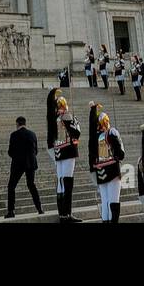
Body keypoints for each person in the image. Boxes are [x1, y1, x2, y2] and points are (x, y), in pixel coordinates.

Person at [46, 88, 82, 223]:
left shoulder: (54, 118)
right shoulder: (67, 116)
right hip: (68, 151)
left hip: (58, 151)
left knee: (61, 183)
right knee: (67, 183)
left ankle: (62, 214)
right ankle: (67, 213)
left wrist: (52, 94)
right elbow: (77, 132)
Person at [88, 102, 125, 223]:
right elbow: (120, 154)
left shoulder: (94, 136)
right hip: (112, 169)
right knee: (114, 201)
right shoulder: (111, 133)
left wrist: (92, 110)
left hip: (100, 170)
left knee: (105, 201)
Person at [5, 115, 43, 218]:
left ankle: (11, 211)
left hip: (18, 164)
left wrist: (17, 157)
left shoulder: (14, 135)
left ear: (17, 124)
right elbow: (36, 151)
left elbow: (10, 152)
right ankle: (39, 208)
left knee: (11, 186)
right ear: (25, 124)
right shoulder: (32, 134)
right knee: (31, 185)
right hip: (30, 162)